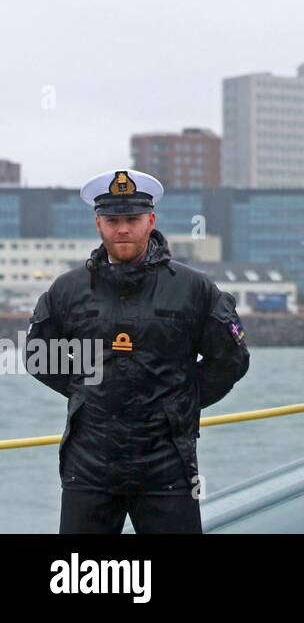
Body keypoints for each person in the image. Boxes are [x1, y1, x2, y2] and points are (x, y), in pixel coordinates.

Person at [26, 169, 250, 533]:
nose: (123, 229)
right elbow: (39, 356)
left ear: (151, 221)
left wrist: (179, 400)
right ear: (98, 224)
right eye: (113, 220)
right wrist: (88, 390)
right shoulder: (67, 290)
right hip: (89, 464)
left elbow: (230, 359)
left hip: (166, 464)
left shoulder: (192, 288)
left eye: (132, 219)